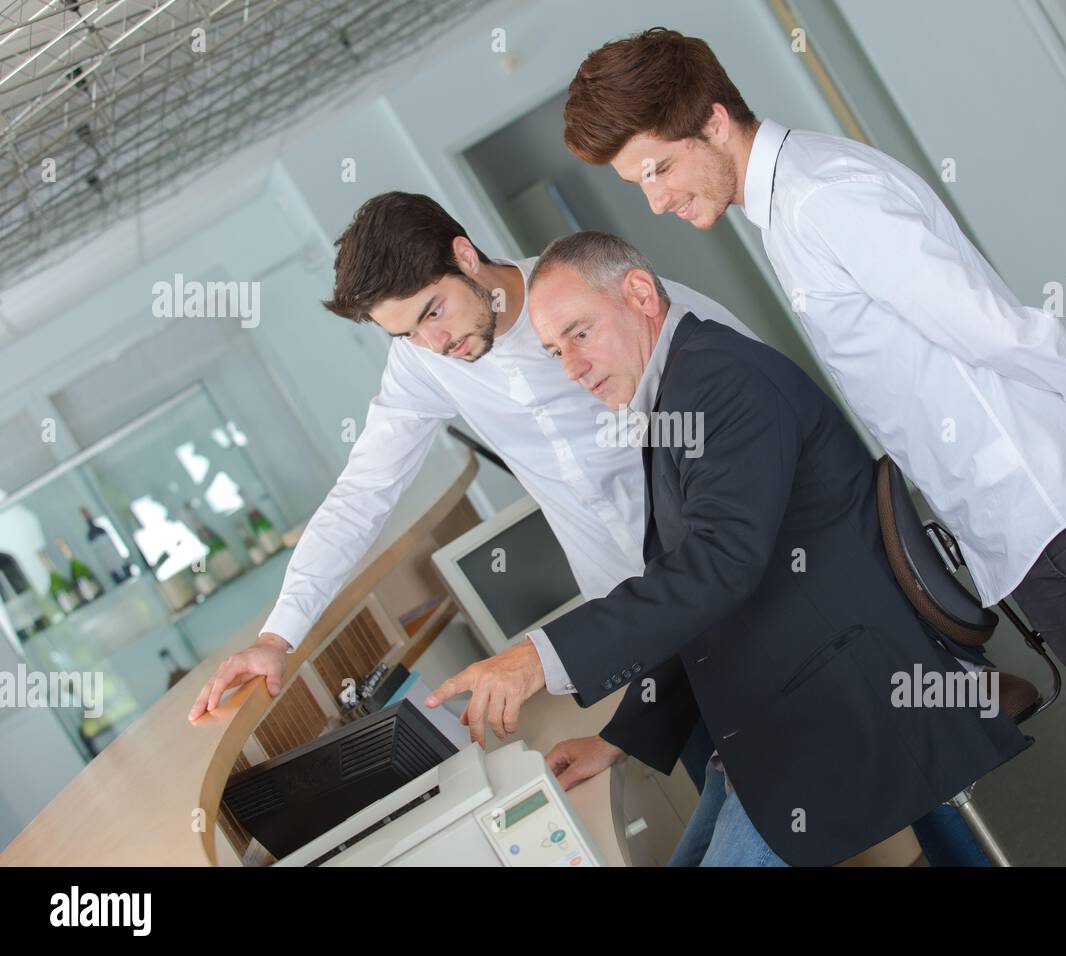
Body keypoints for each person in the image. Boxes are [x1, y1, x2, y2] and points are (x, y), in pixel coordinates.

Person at [558, 28, 1066, 865]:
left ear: (714, 119)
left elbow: (986, 327)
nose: (654, 200)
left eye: (658, 168)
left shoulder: (821, 199)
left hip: (1049, 514)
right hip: (1032, 518)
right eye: (637, 183)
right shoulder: (794, 202)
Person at [425, 231, 1031, 867]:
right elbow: (695, 596)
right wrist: (622, 738)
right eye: (554, 351)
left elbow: (717, 566)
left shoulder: (718, 381)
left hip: (844, 694)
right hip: (793, 686)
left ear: (638, 293)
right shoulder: (679, 390)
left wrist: (536, 658)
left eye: (580, 333)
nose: (572, 368)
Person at [186, 191, 752, 793]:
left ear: (465, 255)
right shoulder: (426, 363)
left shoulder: (590, 295)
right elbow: (363, 492)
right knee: (729, 800)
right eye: (404, 333)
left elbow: (743, 385)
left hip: (732, 586)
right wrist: (279, 635)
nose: (435, 343)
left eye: (434, 311)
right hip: (634, 638)